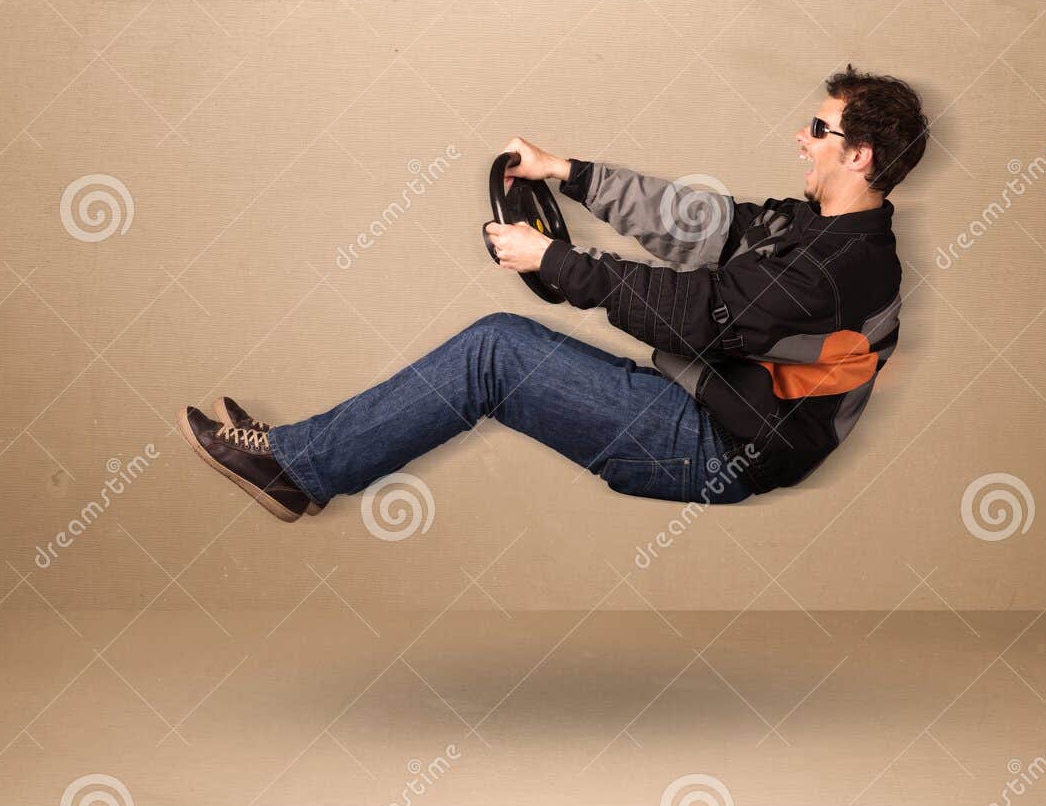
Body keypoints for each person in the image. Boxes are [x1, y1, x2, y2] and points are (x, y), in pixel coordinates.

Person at [177, 65, 928, 521]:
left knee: (495, 352)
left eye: (817, 129)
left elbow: (700, 315)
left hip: (723, 448)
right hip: (713, 411)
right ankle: (306, 463)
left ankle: (295, 468)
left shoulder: (841, 269)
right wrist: (567, 172)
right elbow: (701, 222)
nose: (800, 138)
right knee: (504, 344)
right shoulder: (810, 228)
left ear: (858, 154)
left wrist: (556, 260)